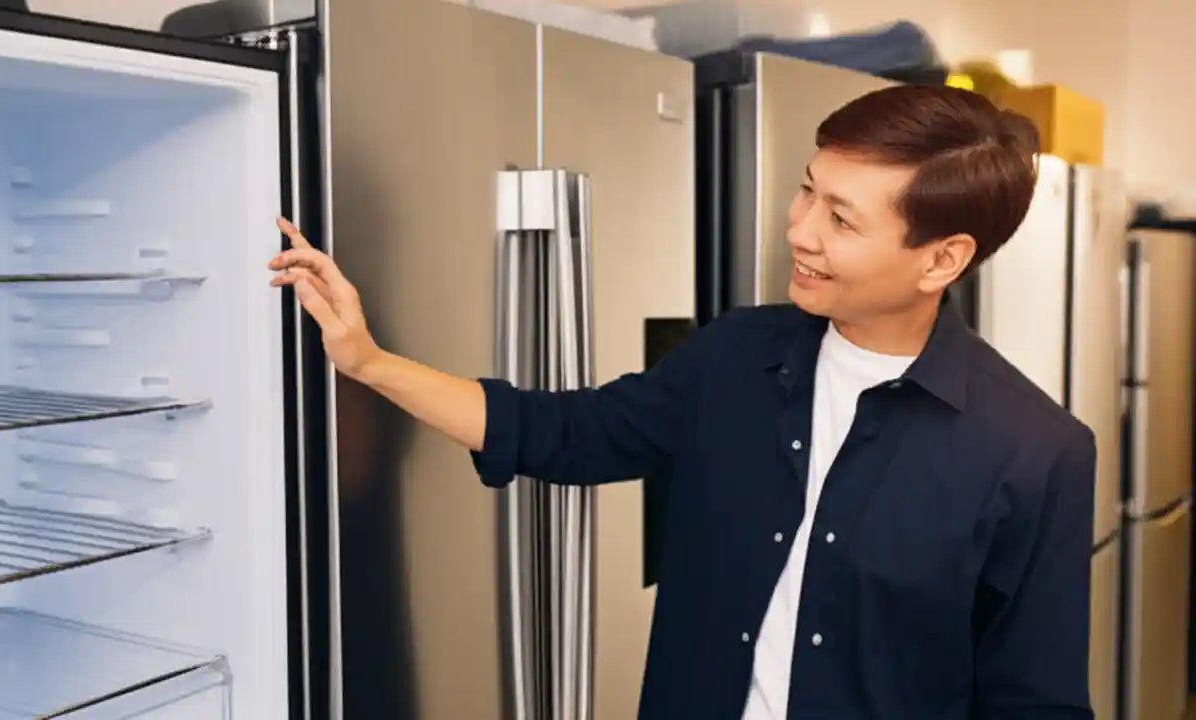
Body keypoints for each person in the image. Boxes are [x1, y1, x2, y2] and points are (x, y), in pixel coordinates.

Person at [269, 84, 1096, 720]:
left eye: (842, 220)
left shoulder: (1034, 451)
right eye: (808, 191)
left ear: (941, 259)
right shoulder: (736, 356)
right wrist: (368, 361)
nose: (800, 229)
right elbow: (564, 433)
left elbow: (1033, 703)